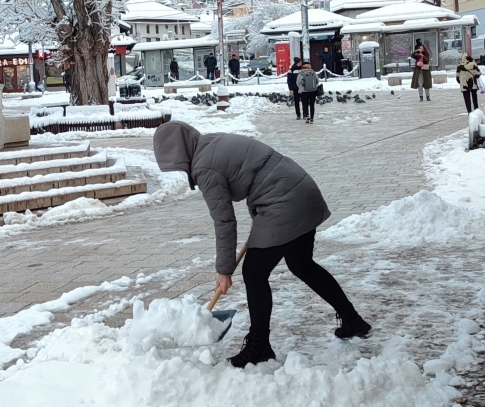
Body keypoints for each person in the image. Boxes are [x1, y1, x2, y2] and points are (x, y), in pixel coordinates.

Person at [154, 121, 370, 368]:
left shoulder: (204, 168)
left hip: (283, 201)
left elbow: (224, 221)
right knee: (302, 265)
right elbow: (256, 173)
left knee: (254, 273)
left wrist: (224, 270)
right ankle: (352, 319)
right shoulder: (211, 142)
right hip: (302, 191)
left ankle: (259, 346)